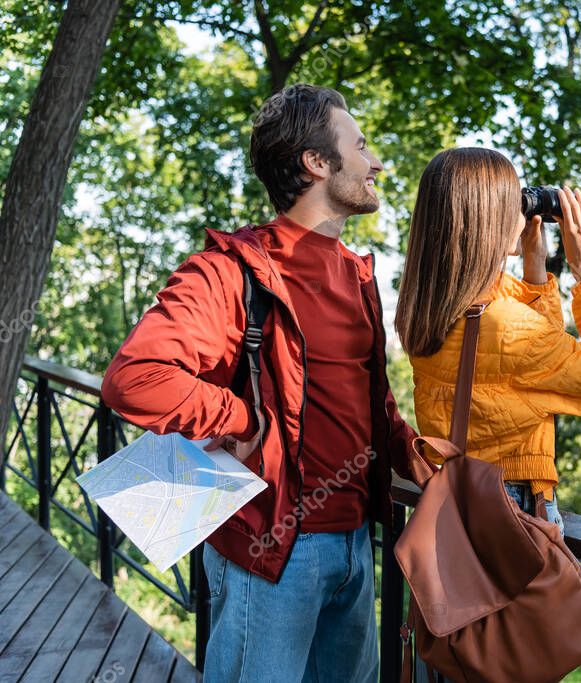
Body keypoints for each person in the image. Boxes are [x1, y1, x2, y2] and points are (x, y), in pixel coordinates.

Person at [100, 83, 416, 682]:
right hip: (274, 550)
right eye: (362, 145)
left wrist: (414, 453)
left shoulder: (360, 276)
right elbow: (134, 379)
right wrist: (241, 420)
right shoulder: (229, 270)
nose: (377, 162)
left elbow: (370, 399)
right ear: (317, 163)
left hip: (358, 543)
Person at [394, 147, 581, 534]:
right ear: (490, 219)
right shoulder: (509, 328)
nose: (521, 213)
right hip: (513, 510)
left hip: (457, 499)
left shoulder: (427, 308)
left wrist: (535, 273)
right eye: (513, 201)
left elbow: (524, 365)